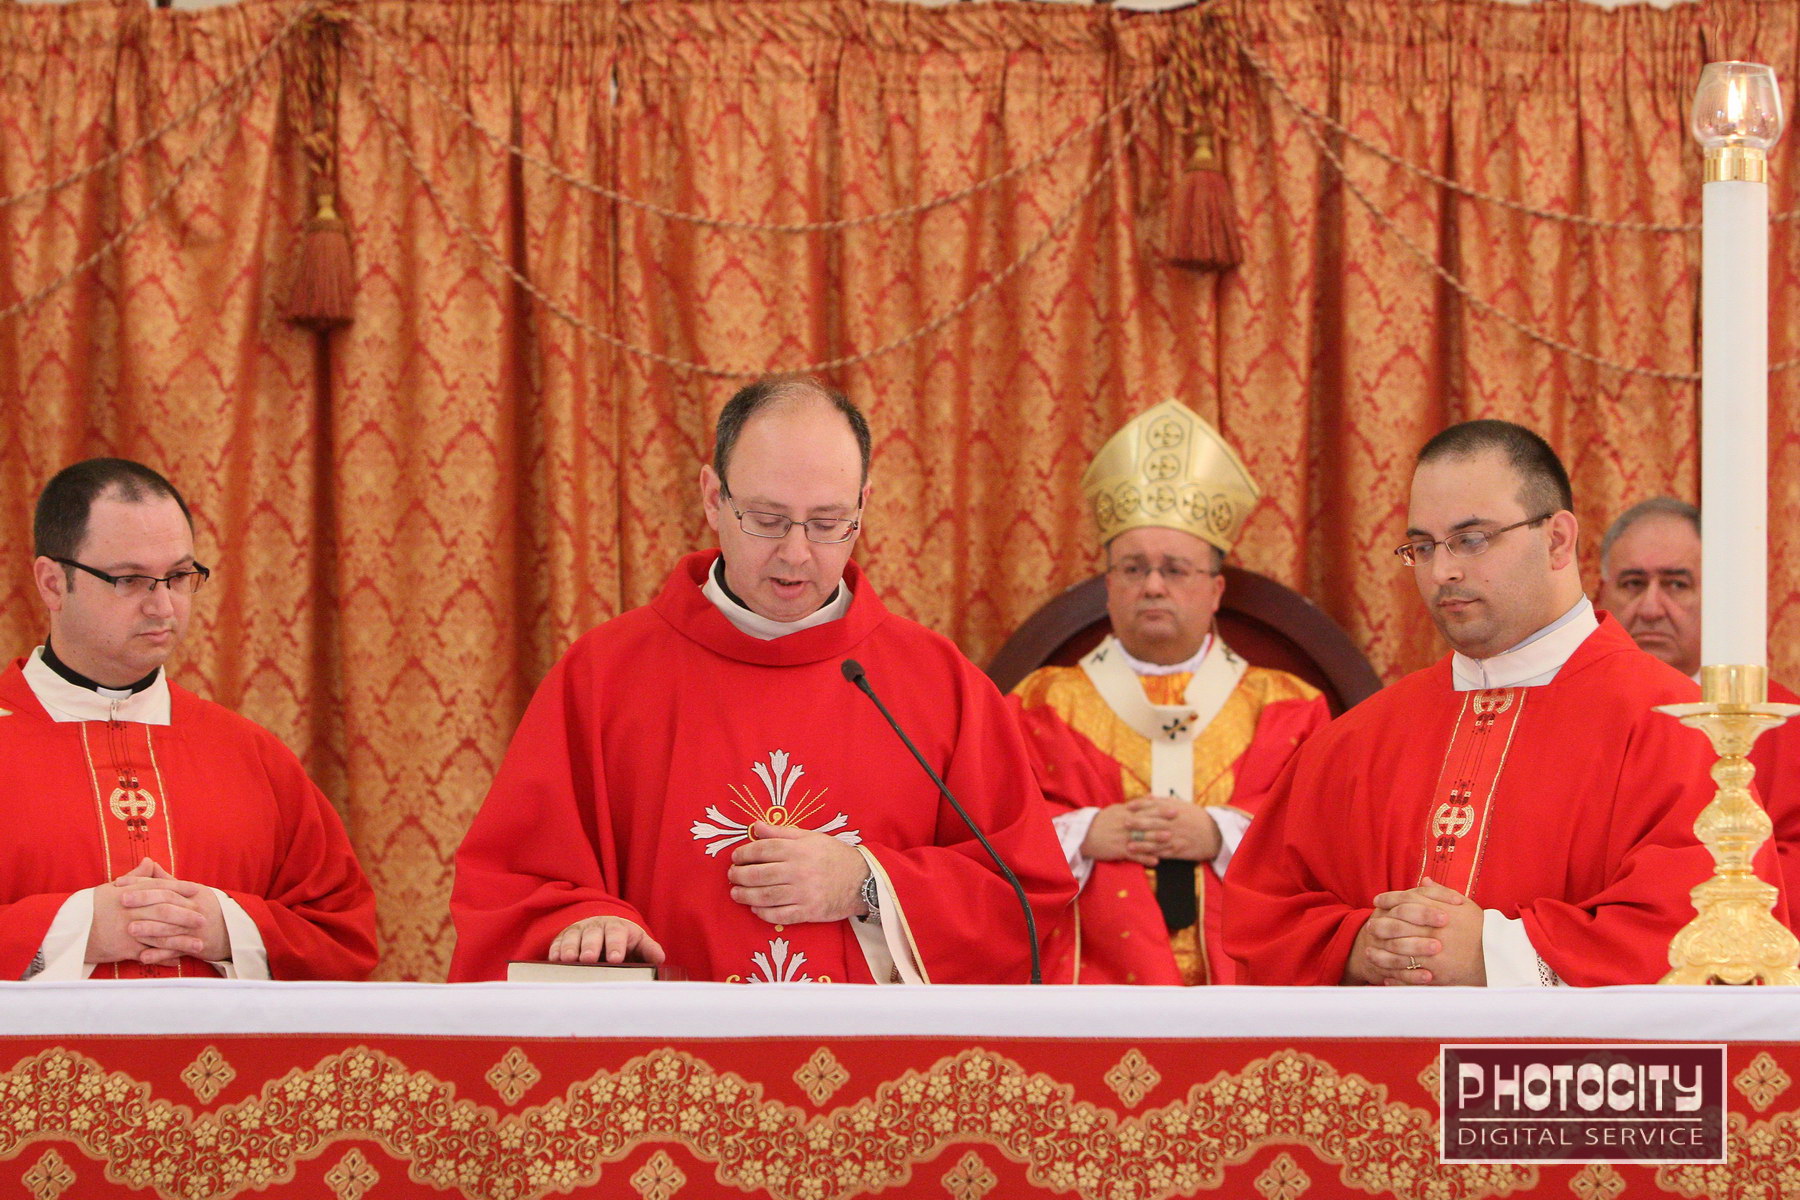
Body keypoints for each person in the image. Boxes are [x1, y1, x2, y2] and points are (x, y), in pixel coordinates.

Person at [450, 377, 1075, 984]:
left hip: (875, 1077)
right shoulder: (603, 678)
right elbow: (514, 886)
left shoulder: (939, 686)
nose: (797, 553)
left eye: (828, 522)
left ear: (863, 505)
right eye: (768, 520)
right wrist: (585, 923)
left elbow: (1024, 898)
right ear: (713, 497)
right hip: (668, 1072)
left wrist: (865, 884)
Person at [1224, 420, 1778, 986]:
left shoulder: (1673, 725)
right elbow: (1263, 917)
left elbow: (1714, 937)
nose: (1443, 571)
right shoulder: (1355, 740)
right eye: (1422, 546)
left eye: (1471, 539)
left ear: (1558, 540)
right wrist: (1359, 946)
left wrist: (1494, 953)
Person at [0, 459, 378, 981]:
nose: (163, 607)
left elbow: (344, 939)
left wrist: (228, 929)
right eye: (130, 580)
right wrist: (73, 929)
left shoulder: (251, 756)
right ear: (52, 583)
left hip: (223, 1064)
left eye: (178, 577)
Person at [1010, 400, 1328, 984]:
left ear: (1214, 590)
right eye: (1133, 569)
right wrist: (1083, 836)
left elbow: (1324, 845)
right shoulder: (1040, 705)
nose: (1153, 585)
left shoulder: (1287, 706)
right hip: (1090, 990)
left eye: (1175, 569)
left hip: (1244, 989)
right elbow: (993, 835)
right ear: (1108, 587)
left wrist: (1218, 833)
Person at [1597, 496, 1799, 902]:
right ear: (1600, 593)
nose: (1651, 608)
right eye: (1633, 584)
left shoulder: (1778, 723)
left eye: (1677, 584)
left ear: (1720, 598)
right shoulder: (1572, 713)